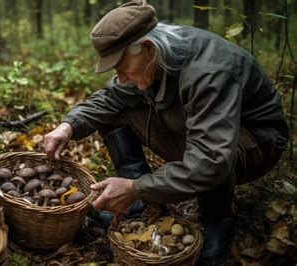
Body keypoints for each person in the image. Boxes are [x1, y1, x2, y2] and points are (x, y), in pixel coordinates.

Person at [43, 0, 289, 258]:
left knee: (208, 157)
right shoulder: (156, 55)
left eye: (123, 67)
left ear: (148, 47)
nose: (122, 77)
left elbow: (211, 160)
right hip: (204, 128)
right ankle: (137, 205)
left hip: (257, 143)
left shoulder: (209, 73)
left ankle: (216, 222)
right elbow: (109, 97)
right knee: (112, 111)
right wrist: (68, 125)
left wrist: (136, 186)